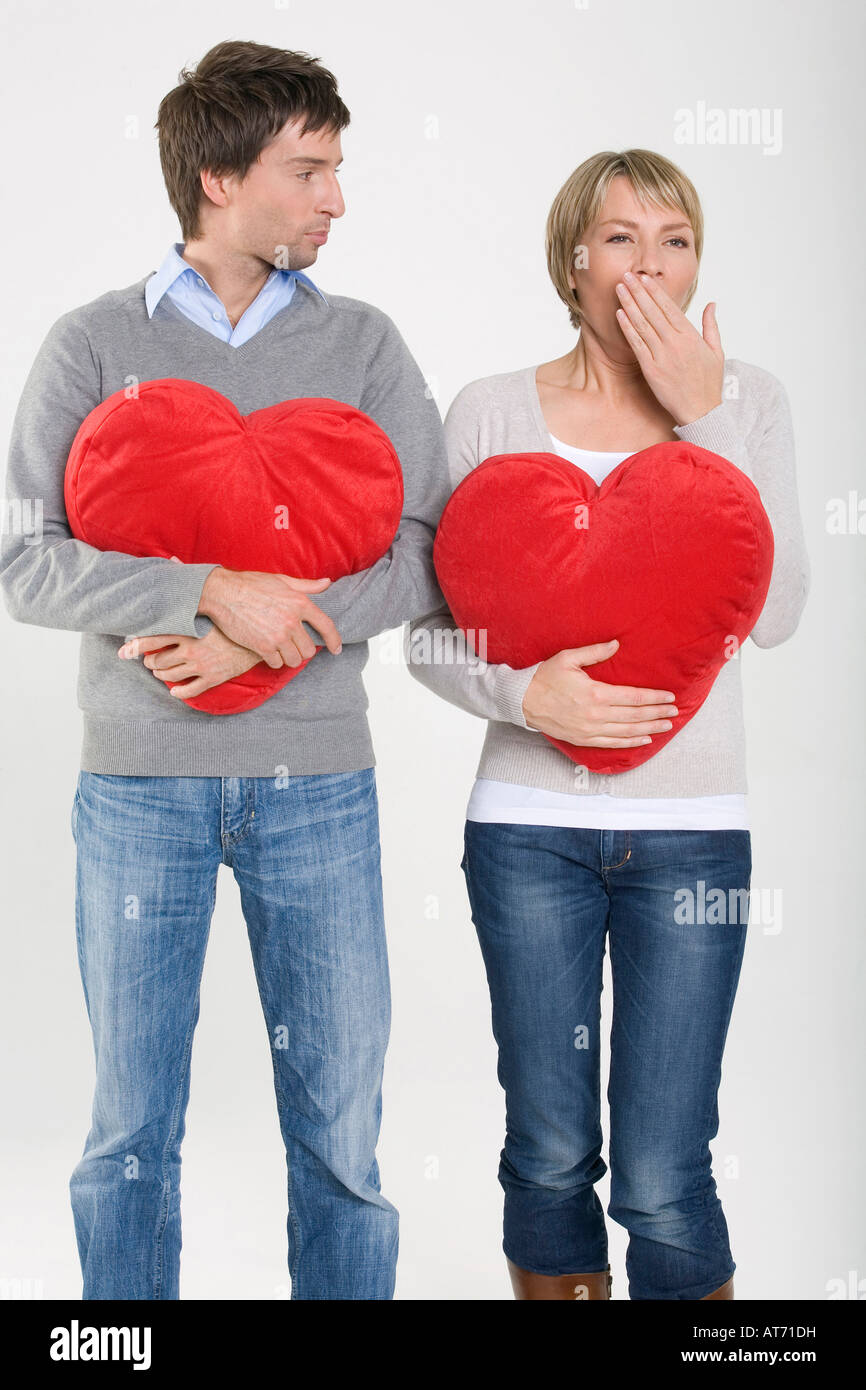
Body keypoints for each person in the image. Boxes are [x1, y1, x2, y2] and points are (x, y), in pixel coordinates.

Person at [0, 40, 451, 1301]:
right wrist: (200, 589)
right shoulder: (93, 346)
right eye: (308, 171)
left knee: (343, 1137)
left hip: (319, 785)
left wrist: (271, 623)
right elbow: (24, 562)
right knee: (128, 1133)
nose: (335, 199)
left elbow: (429, 552)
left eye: (337, 169)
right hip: (139, 790)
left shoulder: (361, 345)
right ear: (217, 178)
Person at [406, 148, 810, 1300]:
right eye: (620, 237)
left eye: (674, 239)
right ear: (570, 260)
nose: (649, 264)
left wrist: (704, 413)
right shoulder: (488, 410)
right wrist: (523, 693)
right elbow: (426, 635)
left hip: (692, 835)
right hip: (525, 832)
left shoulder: (751, 399)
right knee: (544, 1155)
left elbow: (775, 613)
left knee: (663, 1174)